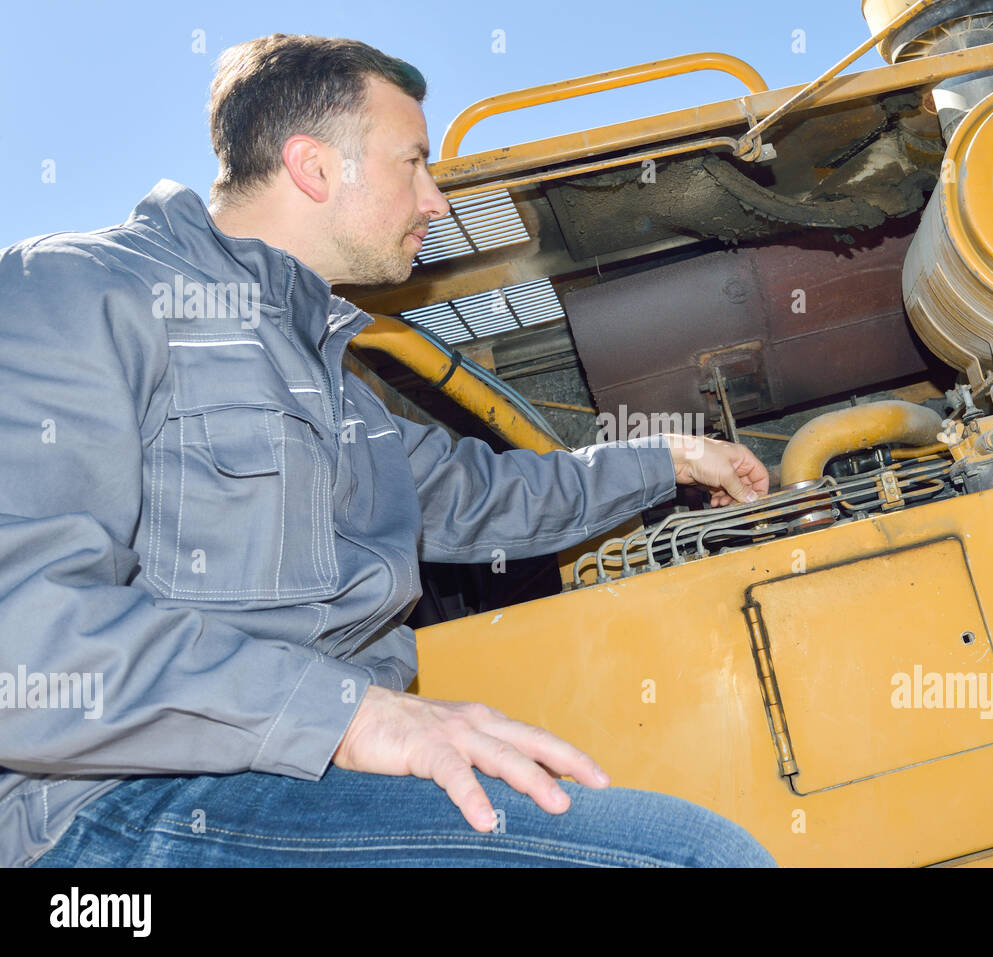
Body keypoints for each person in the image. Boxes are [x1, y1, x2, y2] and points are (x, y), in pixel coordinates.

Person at [0, 33, 774, 868]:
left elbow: (497, 495)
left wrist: (669, 459)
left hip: (293, 780)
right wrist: (352, 714)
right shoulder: (77, 291)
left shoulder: (345, 401)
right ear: (315, 168)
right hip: (108, 812)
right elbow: (25, 641)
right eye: (413, 162)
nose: (437, 199)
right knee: (691, 859)